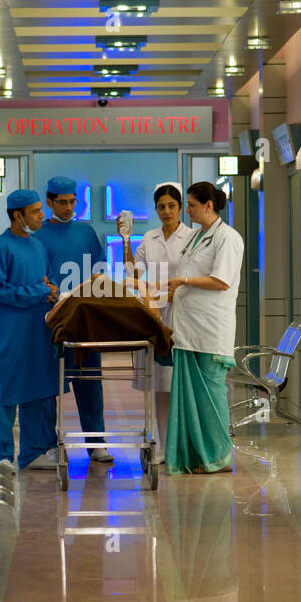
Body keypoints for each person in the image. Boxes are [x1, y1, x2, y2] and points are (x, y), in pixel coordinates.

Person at [164, 181, 244, 475]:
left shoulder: (228, 238)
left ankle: (219, 457)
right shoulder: (198, 237)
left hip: (211, 330)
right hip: (188, 329)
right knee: (192, 399)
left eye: (193, 206)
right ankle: (197, 455)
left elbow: (221, 281)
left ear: (208, 205)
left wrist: (184, 283)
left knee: (211, 396)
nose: (189, 211)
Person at [0, 188, 61, 470]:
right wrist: (38, 292)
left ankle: (33, 452)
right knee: (7, 392)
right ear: (19, 215)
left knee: (35, 389)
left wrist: (52, 290)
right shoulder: (1, 248)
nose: (42, 216)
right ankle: (2, 455)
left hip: (37, 331)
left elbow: (46, 280)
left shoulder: (37, 246)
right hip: (9, 333)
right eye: (36, 211)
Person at [36, 175, 114, 463]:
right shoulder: (39, 237)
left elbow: (99, 270)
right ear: (49, 202)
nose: (68, 208)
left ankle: (96, 443)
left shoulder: (86, 232)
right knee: (48, 384)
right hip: (54, 317)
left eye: (72, 202)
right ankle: (49, 444)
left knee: (90, 381)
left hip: (84, 317)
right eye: (62, 203)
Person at [118, 182, 192, 463]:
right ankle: (162, 446)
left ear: (181, 208)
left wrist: (173, 292)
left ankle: (182, 444)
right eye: (161, 206)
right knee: (161, 384)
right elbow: (133, 271)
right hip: (155, 314)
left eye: (172, 206)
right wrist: (126, 239)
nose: (166, 211)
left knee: (181, 383)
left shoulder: (191, 237)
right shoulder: (149, 238)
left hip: (183, 313)